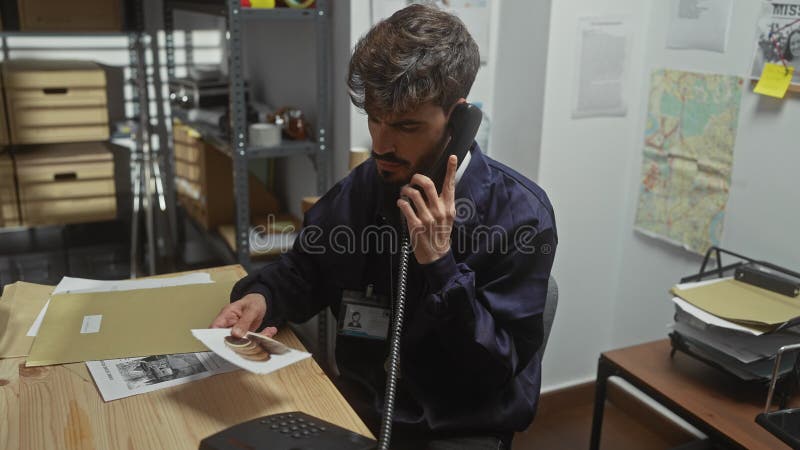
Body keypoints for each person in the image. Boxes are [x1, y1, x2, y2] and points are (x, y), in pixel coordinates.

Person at [211, 4, 557, 449]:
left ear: (459, 120)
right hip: (363, 408)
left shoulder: (520, 217)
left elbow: (491, 368)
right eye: (374, 118)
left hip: (457, 426)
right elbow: (306, 268)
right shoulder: (369, 185)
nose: (381, 144)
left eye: (406, 126)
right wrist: (262, 296)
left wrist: (440, 265)